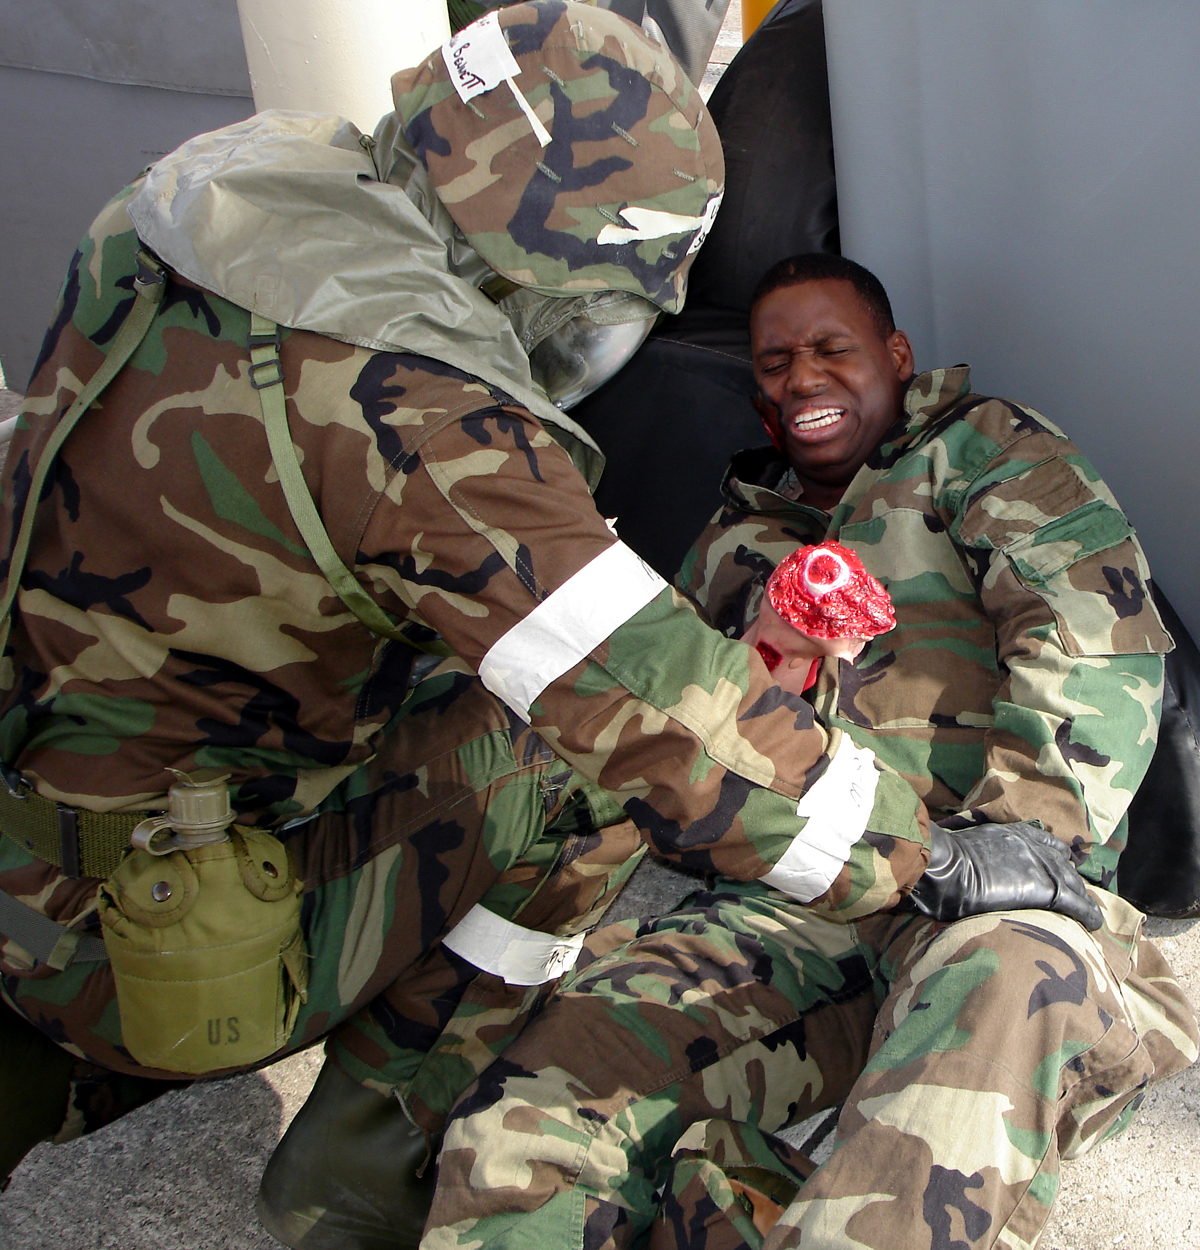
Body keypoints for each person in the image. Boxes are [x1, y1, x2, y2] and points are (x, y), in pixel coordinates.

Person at [0, 11, 946, 1249]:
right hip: (150, 927)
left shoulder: (214, 188)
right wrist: (910, 852)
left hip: (39, 802)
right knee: (584, 757)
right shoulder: (424, 422)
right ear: (535, 256)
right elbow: (664, 710)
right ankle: (368, 1159)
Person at [420, 253, 1199, 1250]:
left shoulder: (981, 451)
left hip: (993, 905)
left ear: (897, 355)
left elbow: (1090, 627)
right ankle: (720, 1194)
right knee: (529, 1112)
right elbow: (663, 740)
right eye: (778, 361)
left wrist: (1020, 835)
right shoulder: (728, 541)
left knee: (964, 1077)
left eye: (832, 348)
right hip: (788, 914)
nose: (803, 377)